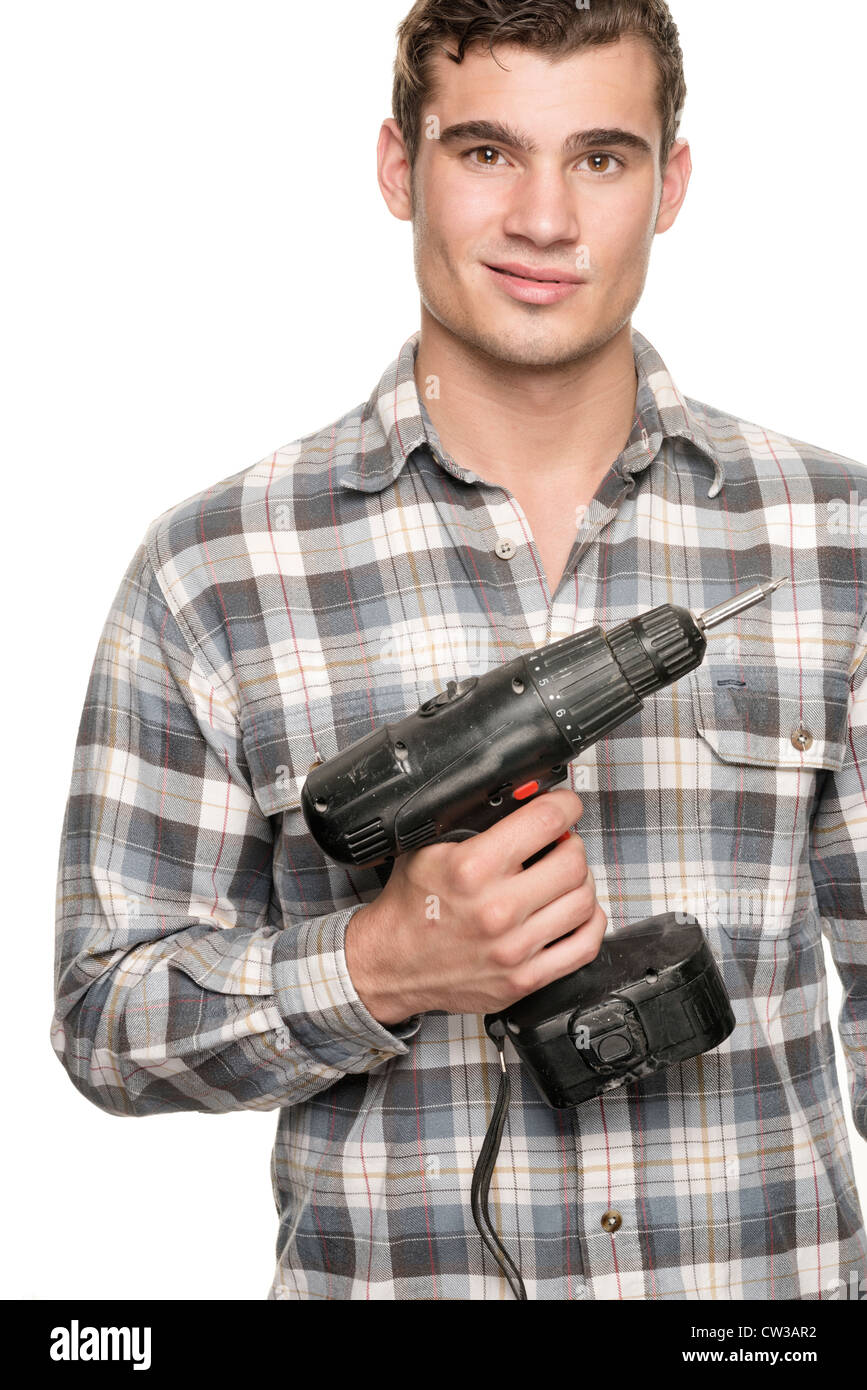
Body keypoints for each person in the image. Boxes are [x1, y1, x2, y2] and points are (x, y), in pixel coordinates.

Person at [52, 0, 866, 1301]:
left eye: (600, 158)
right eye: (488, 151)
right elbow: (103, 1022)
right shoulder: (215, 569)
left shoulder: (836, 539)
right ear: (398, 166)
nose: (545, 219)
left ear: (673, 184)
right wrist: (380, 963)